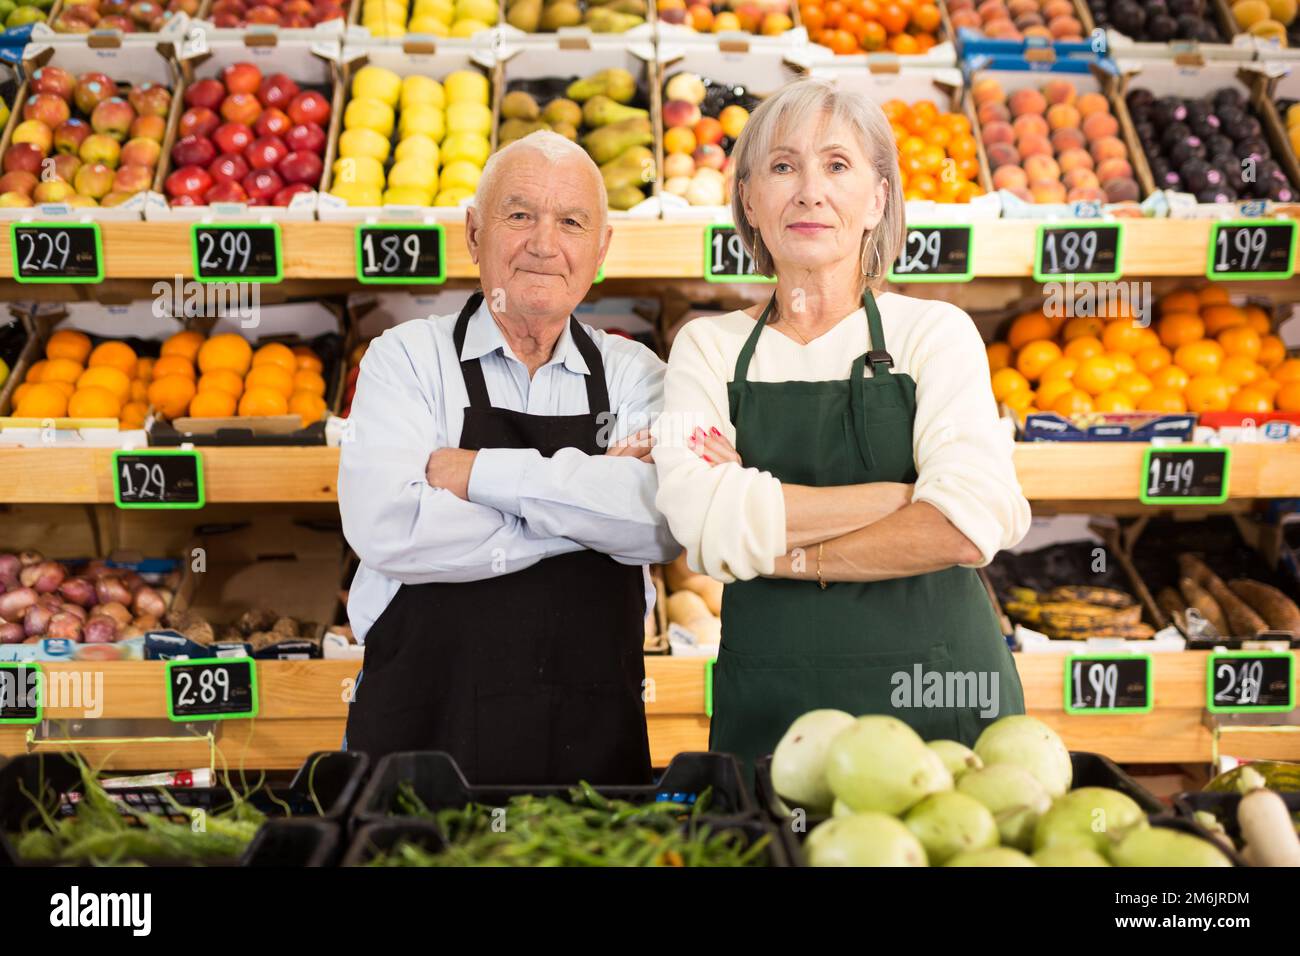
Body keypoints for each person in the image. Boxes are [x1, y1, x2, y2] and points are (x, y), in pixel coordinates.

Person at [653, 79, 1032, 778]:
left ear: (878, 198)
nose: (809, 191)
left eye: (836, 165)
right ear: (748, 200)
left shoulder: (936, 334)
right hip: (774, 699)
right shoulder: (705, 348)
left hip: (941, 695)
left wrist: (780, 547)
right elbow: (698, 521)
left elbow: (963, 522)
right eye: (781, 166)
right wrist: (898, 497)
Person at [339, 131, 678, 784]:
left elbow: (661, 525)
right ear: (473, 233)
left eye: (571, 222)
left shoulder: (638, 375)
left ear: (600, 249)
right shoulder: (405, 359)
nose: (544, 244)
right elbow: (391, 528)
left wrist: (476, 475)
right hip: (422, 737)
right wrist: (590, 510)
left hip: (591, 740)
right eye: (519, 215)